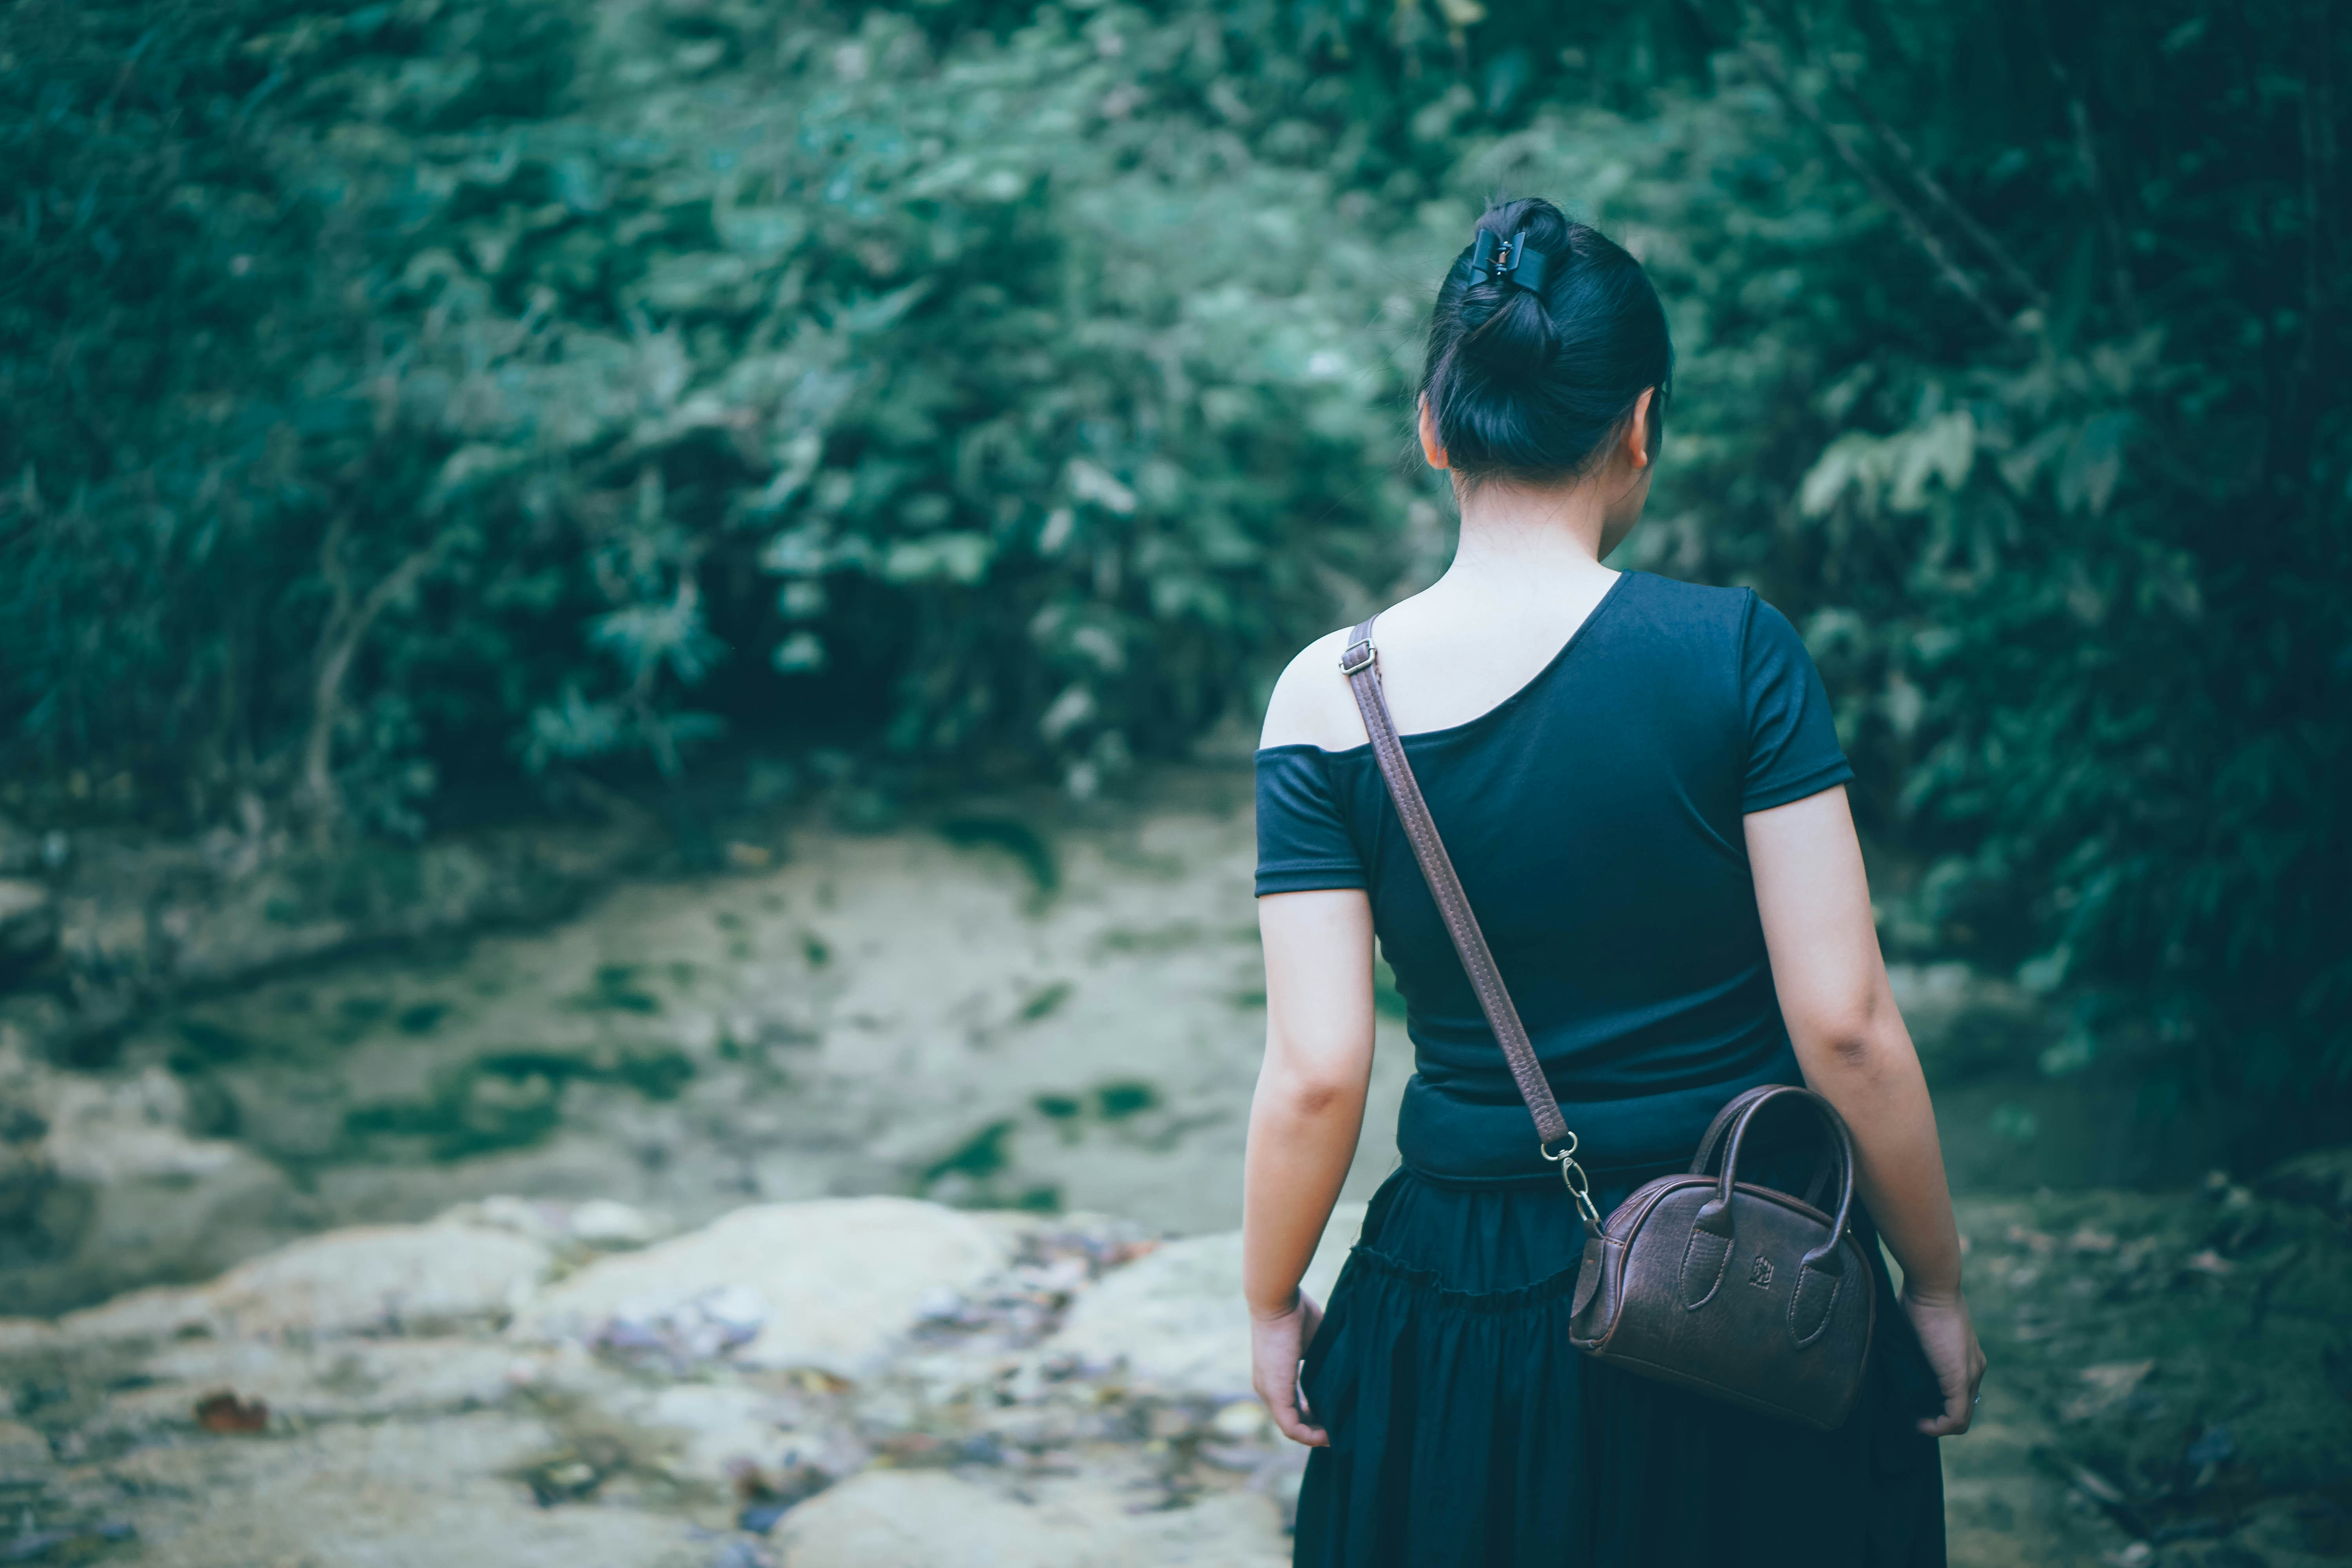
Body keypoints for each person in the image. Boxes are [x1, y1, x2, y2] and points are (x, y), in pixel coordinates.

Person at [1241, 196, 1985, 1567]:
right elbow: (1849, 1028)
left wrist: (1272, 1296)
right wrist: (1930, 1283)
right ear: (1639, 424)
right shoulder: (1738, 653)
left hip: (1459, 1309)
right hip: (1753, 1276)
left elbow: (1317, 1072)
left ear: (1432, 425)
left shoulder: (1325, 699)